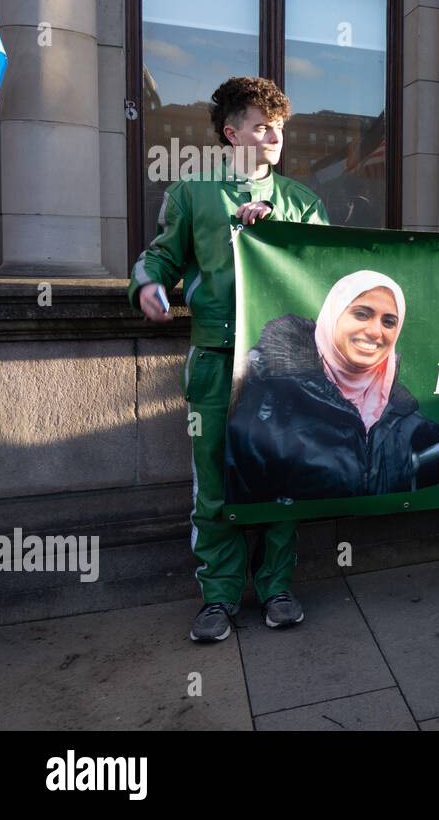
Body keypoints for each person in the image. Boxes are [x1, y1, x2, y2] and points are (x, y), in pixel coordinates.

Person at [128, 76, 329, 642]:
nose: (273, 137)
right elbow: (161, 255)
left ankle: (277, 587)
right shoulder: (192, 193)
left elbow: (327, 276)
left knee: (282, 478)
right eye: (262, 126)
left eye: (279, 128)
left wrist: (283, 233)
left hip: (286, 366)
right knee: (213, 483)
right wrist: (147, 287)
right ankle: (217, 597)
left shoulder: (304, 201)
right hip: (216, 359)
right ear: (231, 131)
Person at [225, 271, 439, 507]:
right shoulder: (267, 403)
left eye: (388, 322)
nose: (375, 331)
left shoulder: (408, 418)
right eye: (362, 314)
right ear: (333, 316)